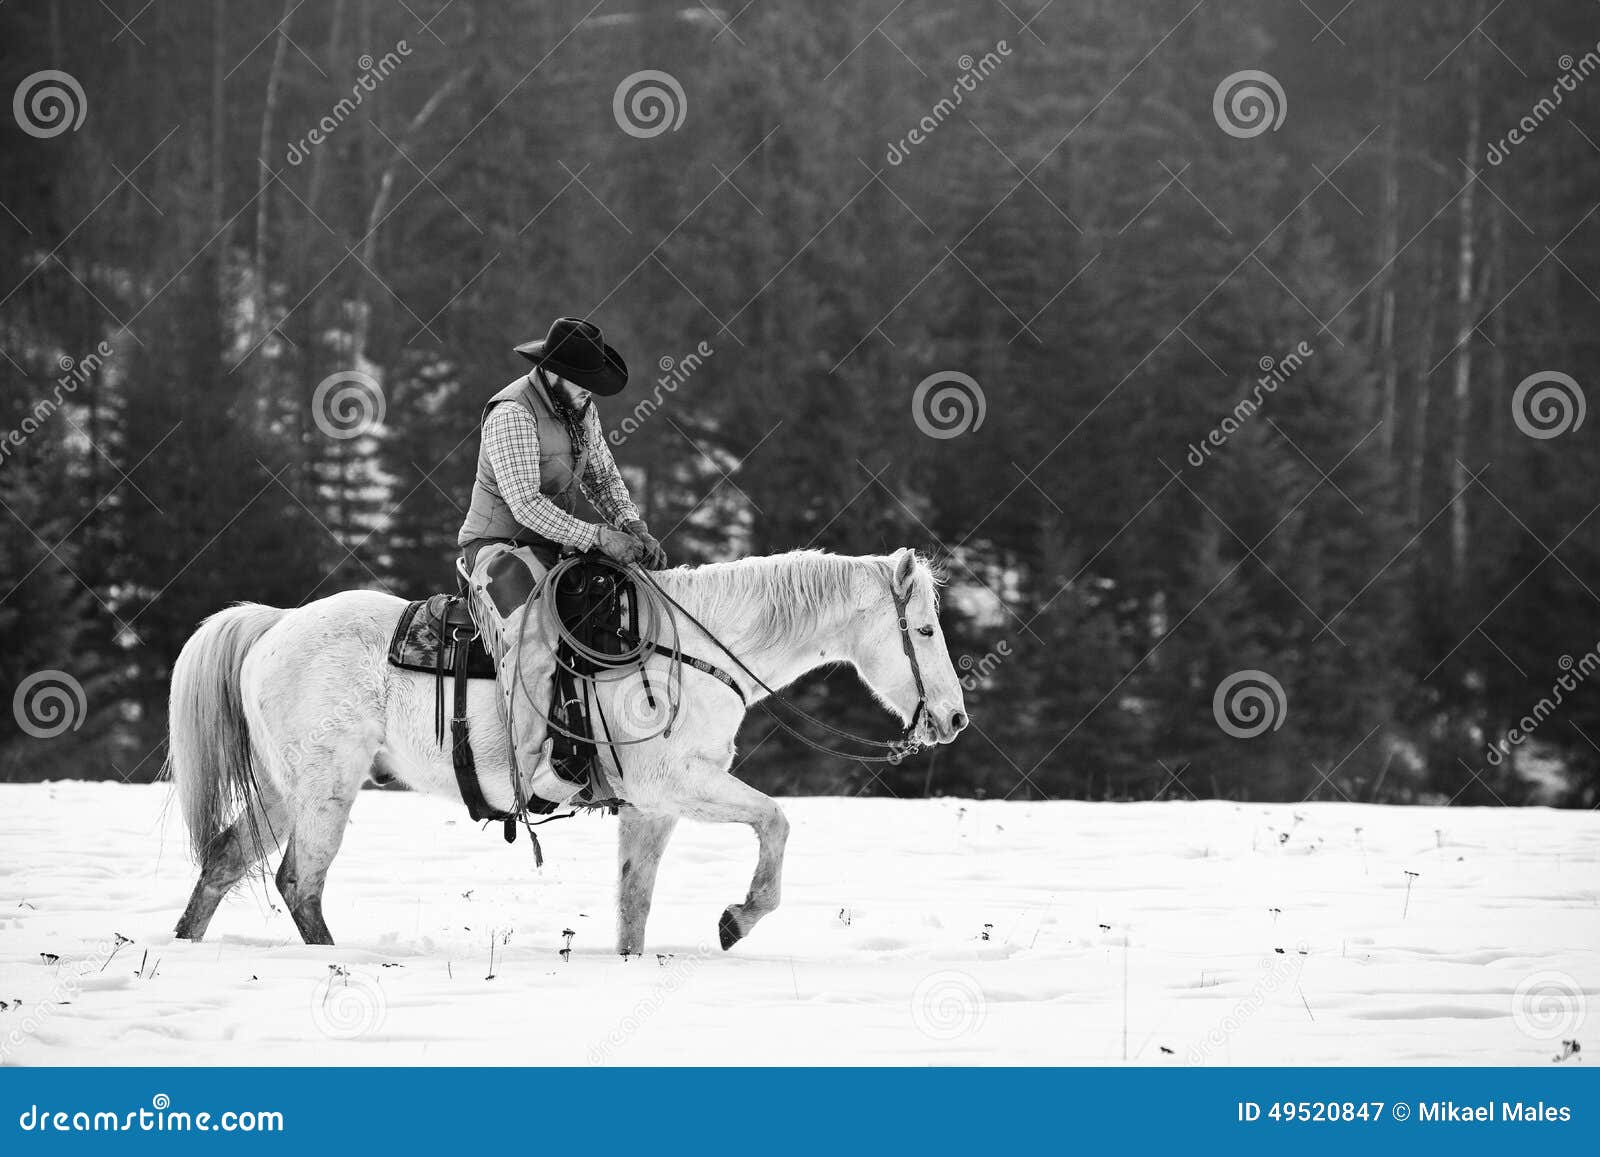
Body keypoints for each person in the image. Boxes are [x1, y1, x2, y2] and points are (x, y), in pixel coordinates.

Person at [456, 317, 667, 811]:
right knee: (534, 635)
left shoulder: (579, 407)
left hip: (552, 547)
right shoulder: (512, 413)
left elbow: (602, 476)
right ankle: (527, 770)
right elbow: (525, 505)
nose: (588, 393)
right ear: (551, 372)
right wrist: (597, 535)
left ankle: (599, 746)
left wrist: (630, 524)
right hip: (496, 547)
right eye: (582, 382)